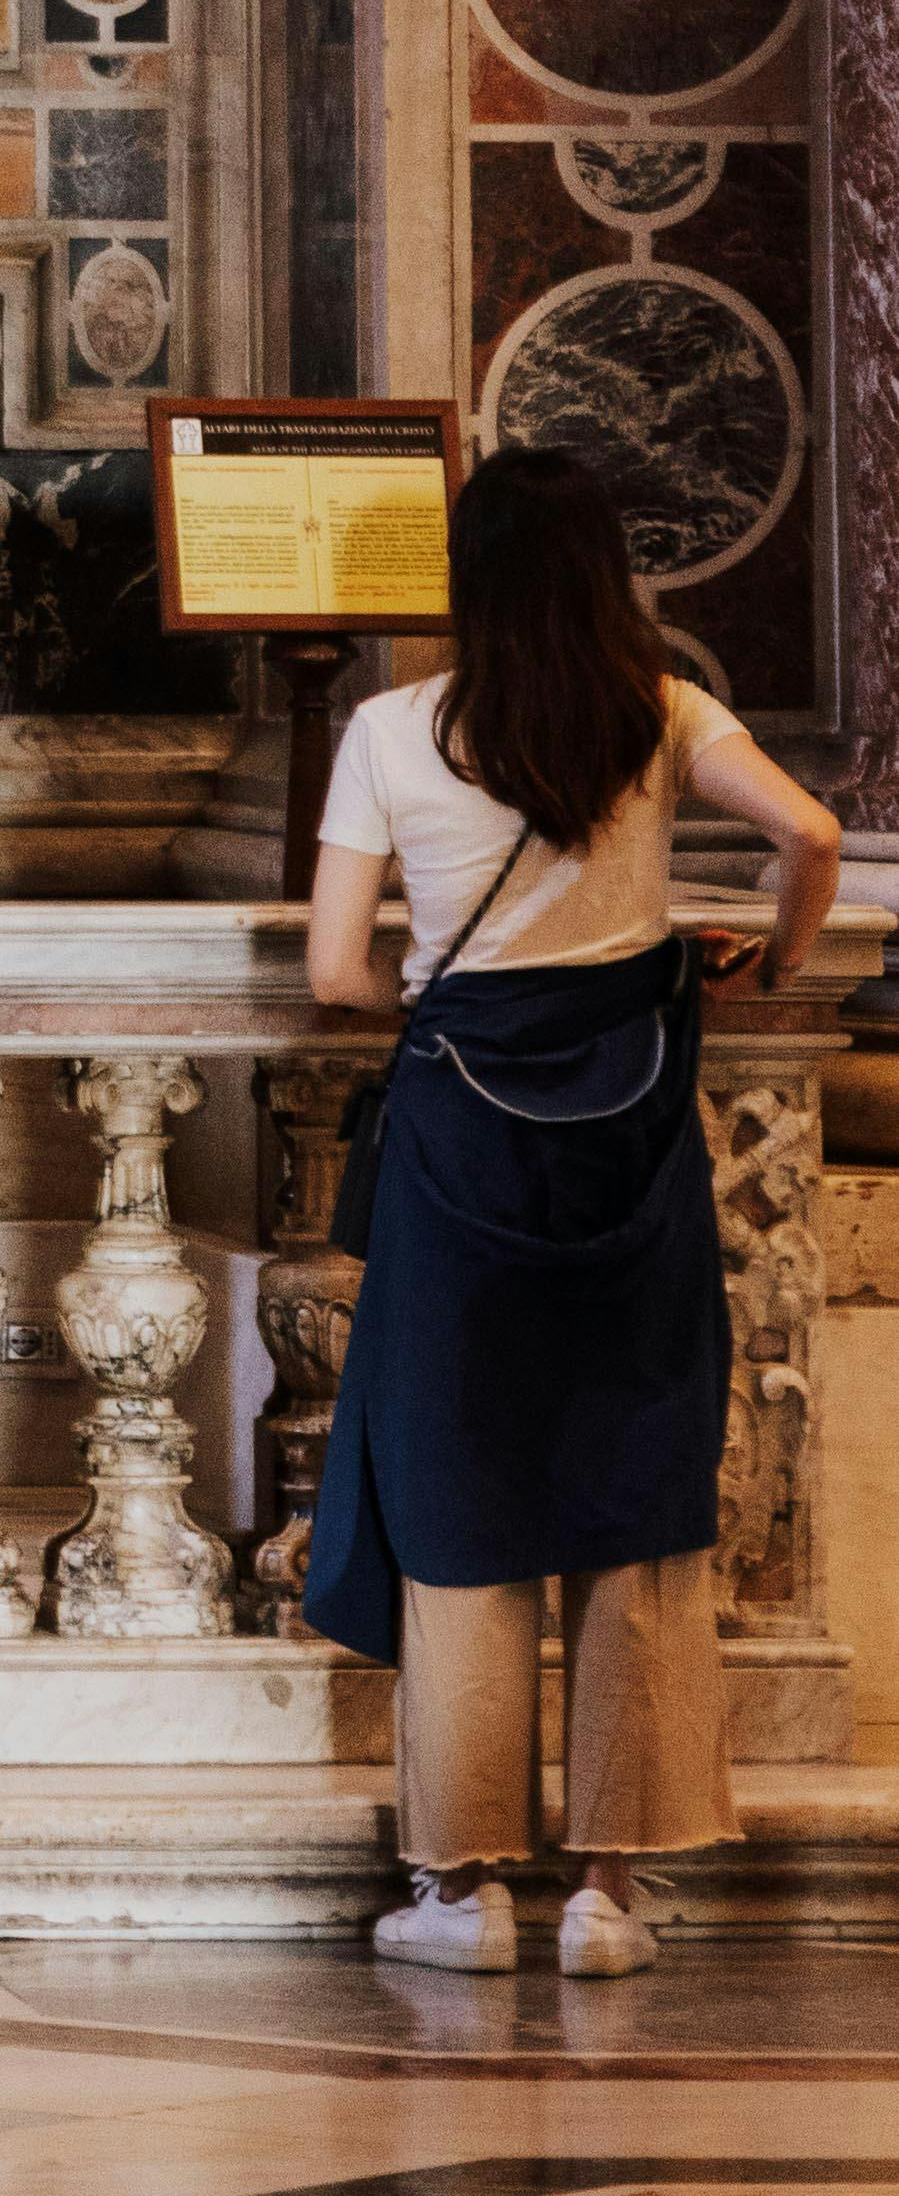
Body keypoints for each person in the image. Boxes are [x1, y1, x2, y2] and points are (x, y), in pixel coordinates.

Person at [300, 449, 842, 1978]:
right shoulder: (661, 713)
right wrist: (777, 965)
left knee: (457, 1484)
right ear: (609, 573)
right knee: (630, 1475)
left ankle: (461, 1895)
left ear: (461, 581)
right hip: (630, 1147)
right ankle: (608, 1890)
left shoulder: (387, 729)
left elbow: (337, 974)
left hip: (460, 1151)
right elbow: (805, 835)